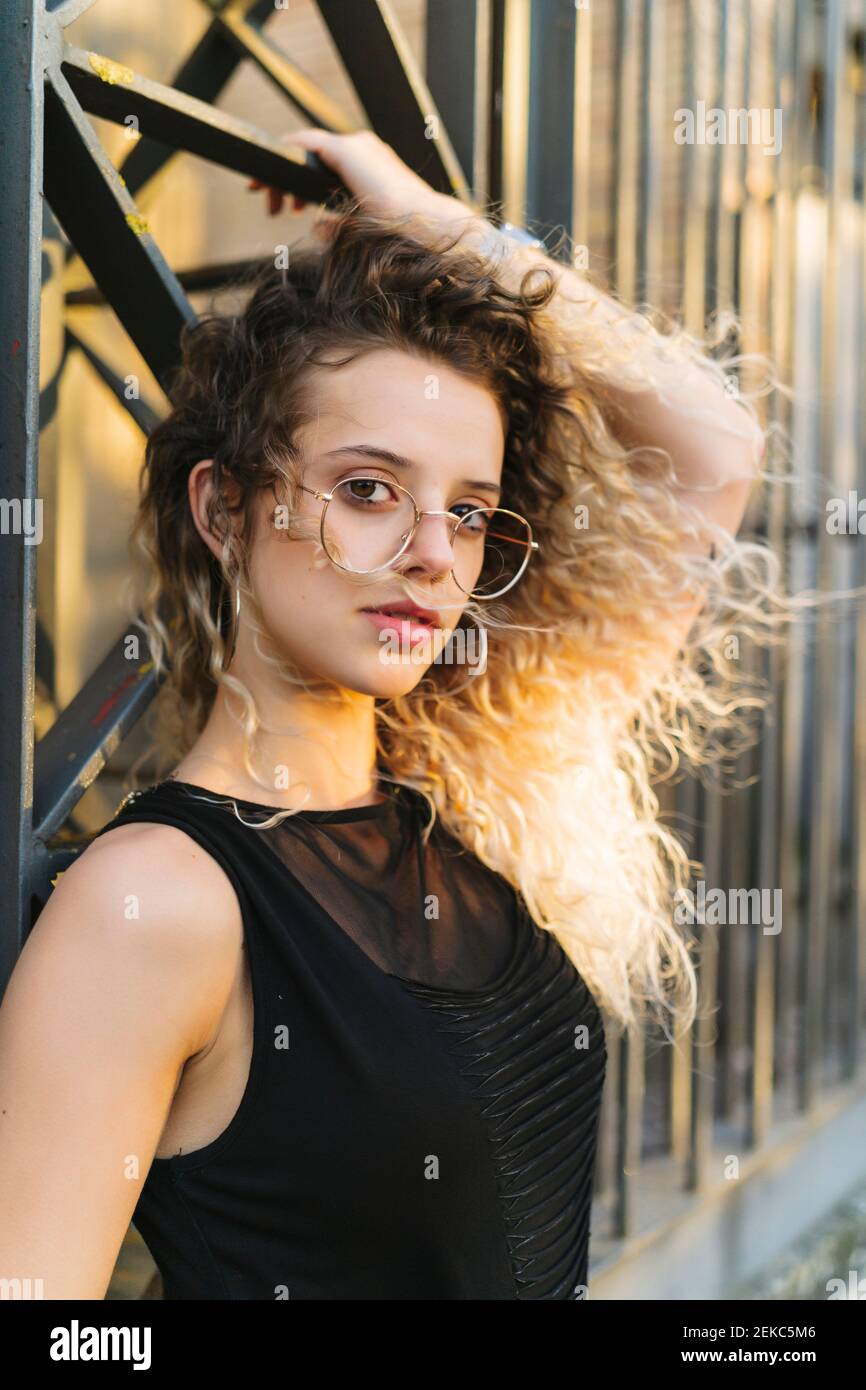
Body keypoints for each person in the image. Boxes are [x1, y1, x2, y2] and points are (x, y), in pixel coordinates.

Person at [0, 129, 784, 1300]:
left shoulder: (473, 797)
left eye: (466, 513)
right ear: (224, 508)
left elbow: (713, 448)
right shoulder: (153, 902)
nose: (428, 555)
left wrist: (436, 222)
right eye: (367, 490)